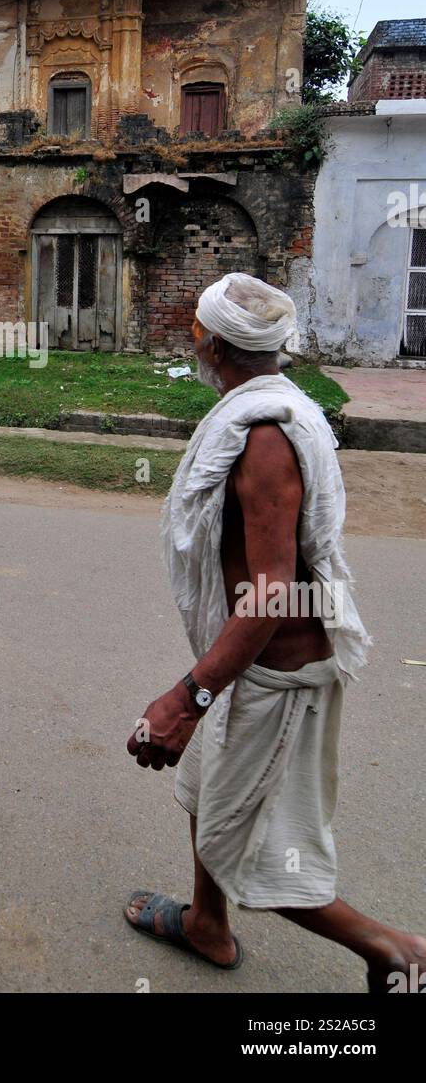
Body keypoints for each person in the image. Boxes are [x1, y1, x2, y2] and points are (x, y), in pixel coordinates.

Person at [124, 272, 425, 993]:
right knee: (204, 795)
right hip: (243, 665)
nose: (191, 341)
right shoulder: (274, 407)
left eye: (196, 331)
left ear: (215, 346)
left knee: (254, 855)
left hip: (273, 676)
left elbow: (266, 595)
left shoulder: (262, 438)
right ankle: (206, 924)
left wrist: (186, 696)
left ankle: (396, 952)